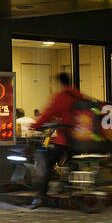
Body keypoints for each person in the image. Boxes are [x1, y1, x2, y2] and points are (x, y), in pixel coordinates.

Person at [29, 72, 91, 208]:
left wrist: (35, 125)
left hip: (66, 138)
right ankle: (72, 188)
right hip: (81, 136)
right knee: (72, 162)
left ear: (61, 83)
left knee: (49, 163)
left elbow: (48, 113)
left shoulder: (62, 97)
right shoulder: (79, 96)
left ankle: (41, 195)